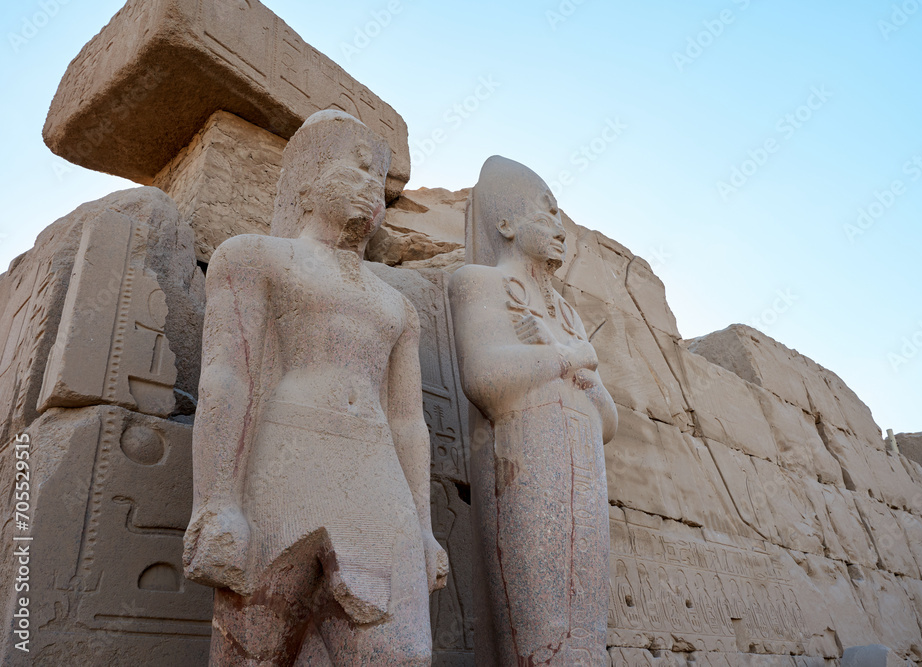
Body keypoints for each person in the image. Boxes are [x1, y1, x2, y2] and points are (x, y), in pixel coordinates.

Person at [182, 110, 448, 666]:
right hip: (283, 461)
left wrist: (424, 530)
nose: (370, 188)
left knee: (402, 654)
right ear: (305, 182)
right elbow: (229, 378)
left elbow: (406, 421)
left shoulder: (396, 305)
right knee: (254, 648)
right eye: (354, 170)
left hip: (376, 477)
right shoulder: (254, 258)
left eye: (378, 178)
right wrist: (216, 503)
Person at [449, 156, 618, 666]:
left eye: (561, 217)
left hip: (586, 475)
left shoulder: (566, 314)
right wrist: (570, 358)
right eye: (546, 214)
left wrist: (555, 354)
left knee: (587, 639)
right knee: (542, 641)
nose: (560, 229)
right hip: (524, 469)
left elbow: (608, 420)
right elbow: (487, 380)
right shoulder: (478, 282)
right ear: (505, 224)